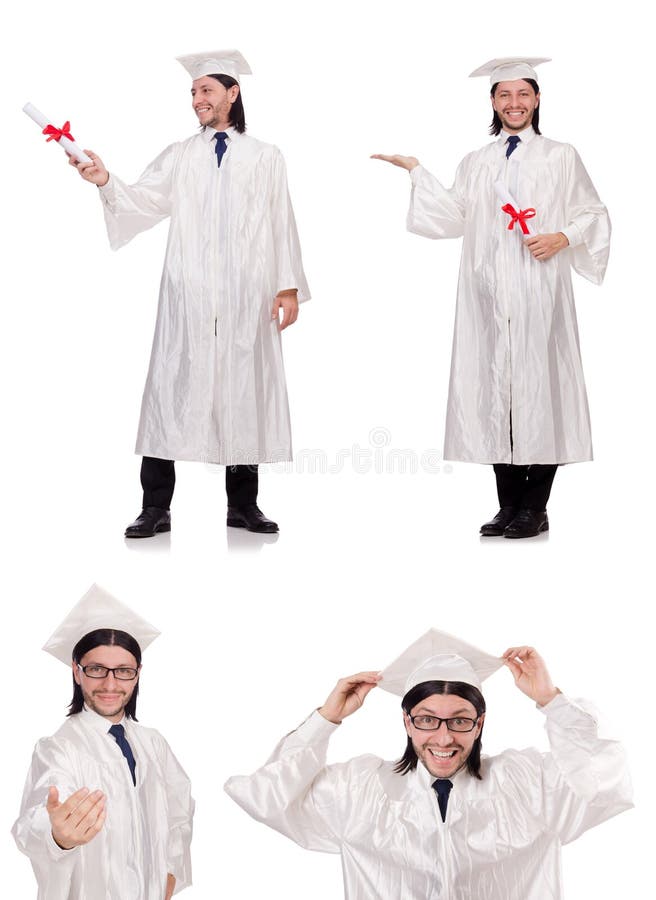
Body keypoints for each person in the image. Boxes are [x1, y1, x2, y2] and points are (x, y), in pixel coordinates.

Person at [69, 49, 310, 536]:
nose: (198, 99)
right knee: (169, 390)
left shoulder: (265, 156)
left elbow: (280, 219)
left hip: (245, 294)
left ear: (232, 93)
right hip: (189, 294)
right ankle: (155, 507)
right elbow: (142, 200)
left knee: (243, 392)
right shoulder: (180, 154)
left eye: (207, 90)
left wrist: (287, 286)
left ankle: (243, 505)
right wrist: (106, 181)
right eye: (194, 92)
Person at [373, 57, 610, 538]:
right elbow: (452, 215)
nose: (514, 103)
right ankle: (508, 506)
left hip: (540, 294)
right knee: (494, 396)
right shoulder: (477, 161)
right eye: (505, 95)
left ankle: (534, 507)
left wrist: (562, 237)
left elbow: (594, 211)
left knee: (543, 394)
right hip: (486, 298)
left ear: (537, 99)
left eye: (523, 94)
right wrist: (417, 172)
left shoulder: (560, 156)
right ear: (493, 101)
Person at [225, 629, 632, 899]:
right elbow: (267, 798)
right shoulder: (362, 789)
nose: (443, 737)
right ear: (407, 722)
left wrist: (550, 699)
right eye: (426, 720)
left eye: (460, 720)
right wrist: (326, 719)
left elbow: (605, 781)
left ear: (479, 723)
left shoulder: (526, 784)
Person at [12, 584, 194, 899]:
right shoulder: (59, 748)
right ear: (77, 671)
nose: (110, 684)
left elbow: (180, 813)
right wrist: (57, 836)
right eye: (97, 669)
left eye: (123, 671)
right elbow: (31, 825)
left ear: (137, 673)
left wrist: (171, 874)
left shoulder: (153, 743)